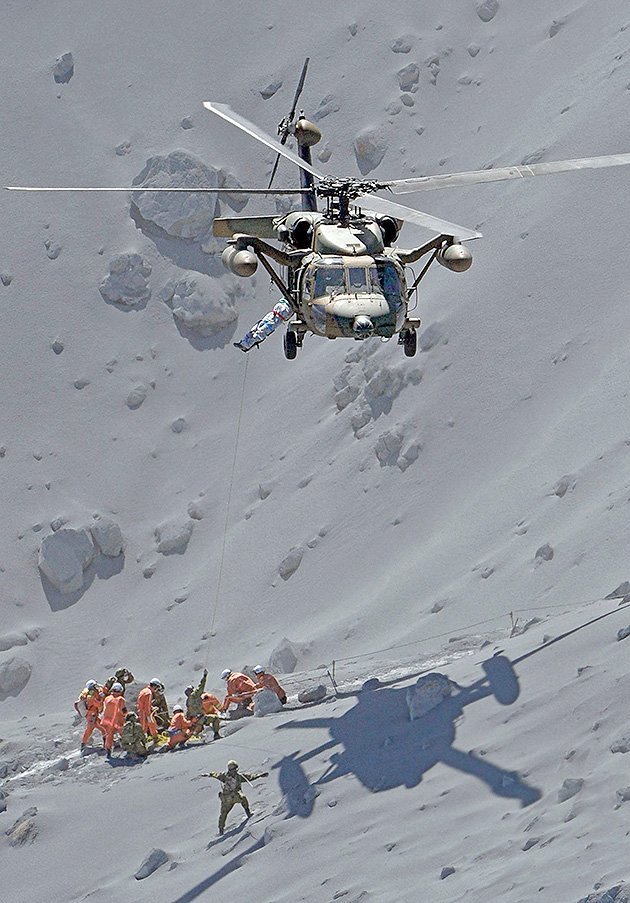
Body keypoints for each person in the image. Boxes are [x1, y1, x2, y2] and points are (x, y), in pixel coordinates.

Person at [201, 760, 268, 835]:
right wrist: (209, 774)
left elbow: (249, 777)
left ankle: (222, 830)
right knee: (226, 812)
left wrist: (259, 775)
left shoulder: (233, 776)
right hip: (230, 798)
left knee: (227, 811)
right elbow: (217, 774)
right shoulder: (230, 776)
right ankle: (221, 830)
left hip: (230, 798)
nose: (235, 771)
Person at [77, 680, 107, 750]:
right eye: (95, 686)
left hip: (91, 715)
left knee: (89, 730)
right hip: (92, 716)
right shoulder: (91, 697)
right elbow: (98, 704)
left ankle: (83, 744)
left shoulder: (91, 694)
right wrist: (102, 698)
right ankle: (106, 744)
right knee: (103, 728)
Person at [100, 683, 127, 758]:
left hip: (107, 721)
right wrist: (127, 716)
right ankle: (127, 747)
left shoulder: (107, 698)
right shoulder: (121, 699)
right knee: (123, 733)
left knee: (109, 735)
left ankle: (108, 750)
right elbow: (123, 710)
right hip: (117, 720)